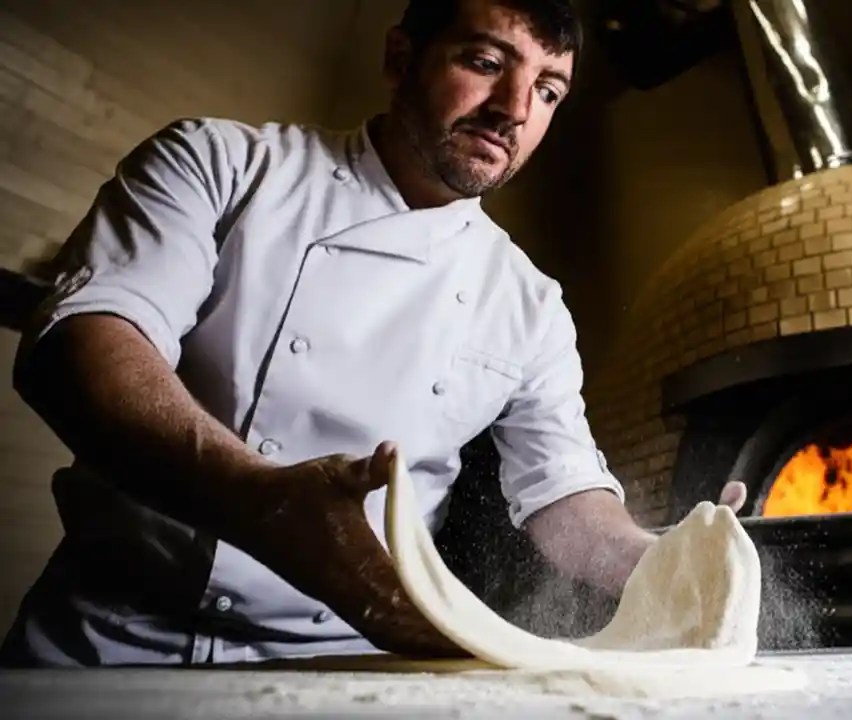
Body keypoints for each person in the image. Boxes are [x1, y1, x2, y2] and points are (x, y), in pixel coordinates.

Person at [0, 0, 747, 667]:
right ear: (400, 58)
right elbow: (83, 344)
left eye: (548, 90)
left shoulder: (530, 303)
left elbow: (564, 494)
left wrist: (661, 565)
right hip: (109, 644)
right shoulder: (221, 165)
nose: (514, 110)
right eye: (486, 63)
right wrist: (260, 500)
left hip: (347, 666)